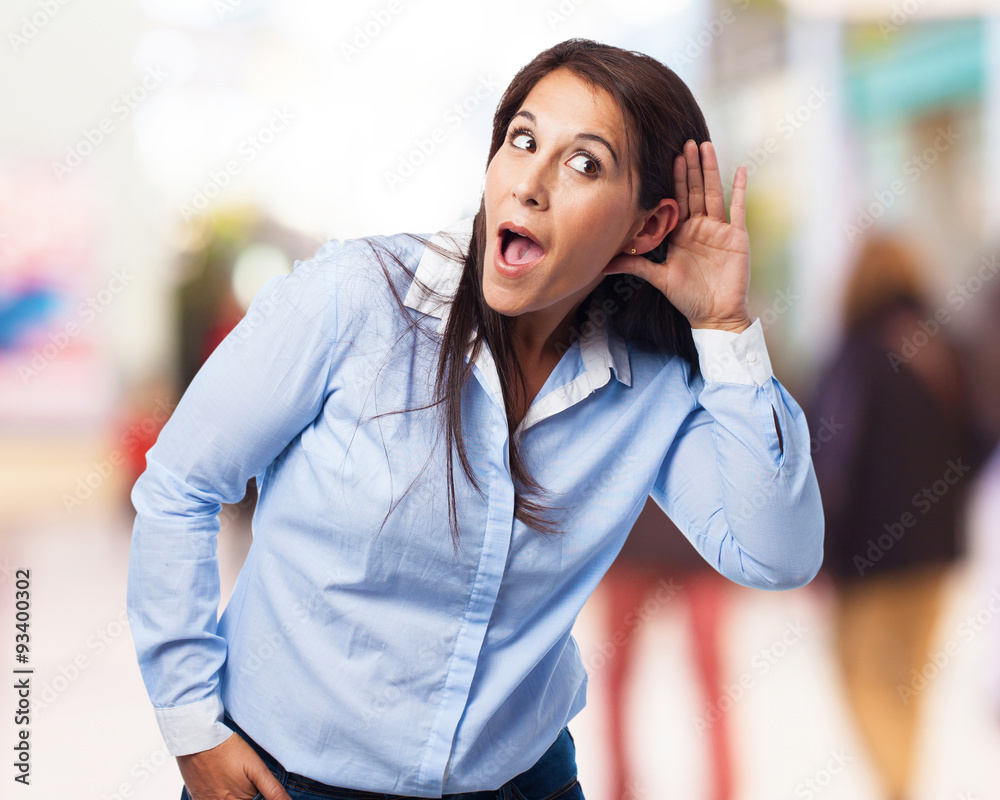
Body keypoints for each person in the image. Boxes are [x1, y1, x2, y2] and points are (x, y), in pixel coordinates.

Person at [126, 38, 824, 800]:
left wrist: (724, 329)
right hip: (291, 780)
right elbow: (181, 485)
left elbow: (776, 554)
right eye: (523, 141)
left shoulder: (651, 385)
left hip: (521, 781)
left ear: (648, 227)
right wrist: (192, 726)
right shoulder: (357, 298)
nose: (529, 182)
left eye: (584, 163)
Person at [807, 234, 993, 800]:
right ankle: (902, 786)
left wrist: (822, 553)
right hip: (936, 556)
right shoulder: (945, 350)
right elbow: (981, 439)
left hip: (869, 558)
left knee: (863, 679)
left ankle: (897, 789)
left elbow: (827, 460)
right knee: (908, 686)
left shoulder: (855, 355)